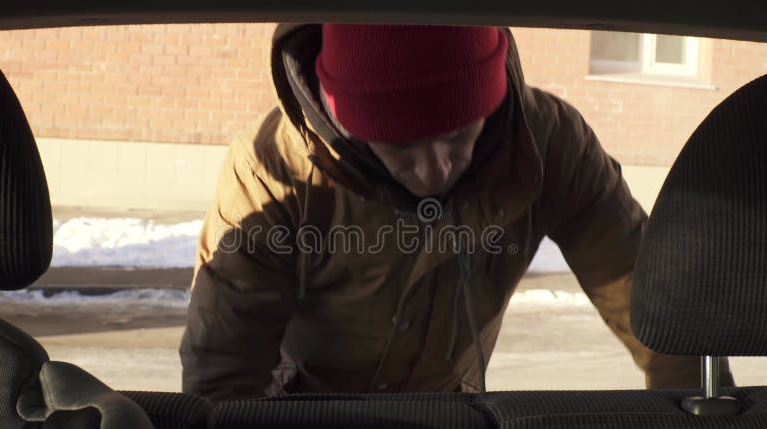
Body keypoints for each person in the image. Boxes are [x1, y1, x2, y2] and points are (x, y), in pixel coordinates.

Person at [179, 24, 733, 401]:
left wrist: (700, 422)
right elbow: (225, 365)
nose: (435, 172)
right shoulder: (273, 168)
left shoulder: (548, 146)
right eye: (399, 149)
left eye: (458, 136)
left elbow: (650, 301)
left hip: (447, 413)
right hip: (295, 415)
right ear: (345, 122)